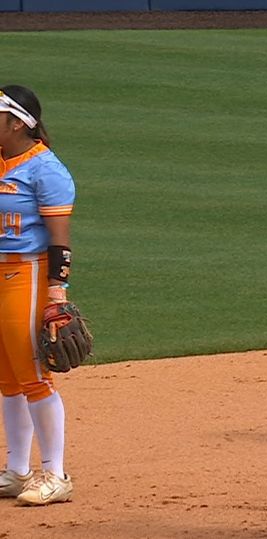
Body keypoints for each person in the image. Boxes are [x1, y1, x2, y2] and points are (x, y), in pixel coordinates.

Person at [0, 84, 78, 505]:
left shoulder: (45, 170)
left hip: (26, 276)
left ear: (17, 123)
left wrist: (57, 294)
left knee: (32, 377)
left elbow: (59, 239)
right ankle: (16, 471)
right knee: (6, 380)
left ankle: (55, 474)